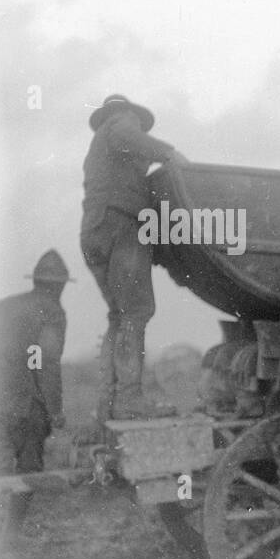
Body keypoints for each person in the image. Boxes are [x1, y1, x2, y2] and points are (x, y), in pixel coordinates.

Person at [80, 94, 188, 420]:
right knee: (137, 310)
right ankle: (128, 402)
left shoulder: (97, 150)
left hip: (94, 231)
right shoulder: (121, 122)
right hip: (121, 225)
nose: (138, 126)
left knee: (118, 314)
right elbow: (128, 136)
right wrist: (170, 153)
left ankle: (109, 404)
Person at [0, 251, 70, 530]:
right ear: (59, 285)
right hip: (26, 407)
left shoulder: (0, 307)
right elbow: (47, 363)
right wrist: (55, 412)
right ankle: (10, 533)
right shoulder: (52, 312)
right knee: (28, 471)